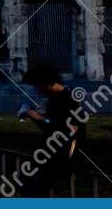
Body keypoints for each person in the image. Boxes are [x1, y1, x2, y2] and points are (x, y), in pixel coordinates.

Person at [17, 66, 85, 196]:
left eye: (37, 86)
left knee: (32, 187)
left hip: (60, 157)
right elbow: (51, 125)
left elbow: (57, 126)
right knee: (27, 182)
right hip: (54, 153)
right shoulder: (58, 98)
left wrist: (33, 115)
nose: (36, 90)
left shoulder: (65, 99)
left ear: (46, 83)